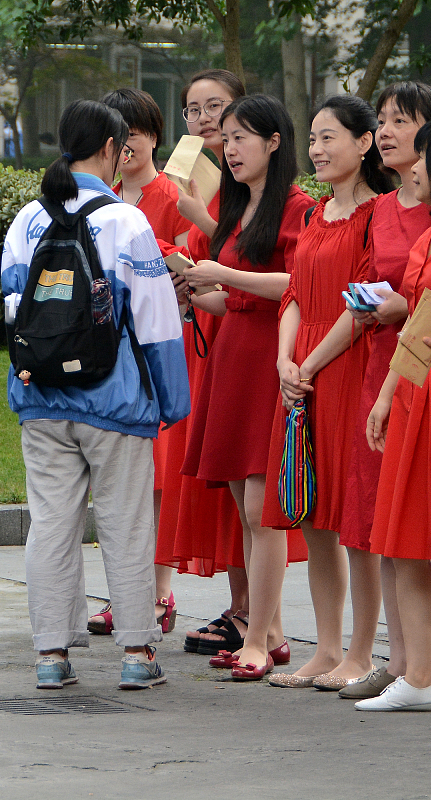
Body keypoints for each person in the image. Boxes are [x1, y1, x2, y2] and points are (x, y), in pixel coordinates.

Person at [0, 99, 190, 690]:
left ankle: (51, 657)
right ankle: (137, 653)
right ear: (112, 150)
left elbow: (13, 313)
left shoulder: (26, 219)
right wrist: (172, 401)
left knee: (51, 524)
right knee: (127, 523)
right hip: (114, 400)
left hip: (41, 398)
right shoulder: (127, 222)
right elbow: (157, 323)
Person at [336, 82, 431, 705]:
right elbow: (422, 323)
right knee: (397, 531)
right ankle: (413, 667)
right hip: (410, 382)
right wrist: (390, 393)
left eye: (418, 146)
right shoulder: (428, 238)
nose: (411, 165)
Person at [180, 95, 315, 679]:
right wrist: (190, 288)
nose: (229, 149)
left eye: (240, 138)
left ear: (274, 142)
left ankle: (257, 637)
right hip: (233, 357)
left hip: (271, 361)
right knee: (243, 503)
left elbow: (298, 283)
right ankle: (273, 630)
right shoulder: (238, 208)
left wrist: (222, 273)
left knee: (263, 509)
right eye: (225, 139)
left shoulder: (299, 206)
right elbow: (233, 300)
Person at [260, 94, 392, 689]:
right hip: (303, 375)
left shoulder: (378, 215)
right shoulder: (315, 214)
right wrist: (286, 360)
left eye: (329, 137)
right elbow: (293, 294)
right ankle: (327, 648)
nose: (316, 149)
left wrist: (305, 363)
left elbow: (362, 305)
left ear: (365, 143)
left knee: (353, 518)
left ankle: (362, 654)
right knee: (312, 513)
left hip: (346, 368)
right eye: (311, 139)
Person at [153, 70, 252, 657]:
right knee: (218, 477)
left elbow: (246, 250)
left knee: (243, 475)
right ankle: (240, 607)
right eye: (193, 110)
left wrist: (200, 216)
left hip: (238, 324)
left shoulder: (246, 181)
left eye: (217, 107)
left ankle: (251, 614)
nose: (205, 119)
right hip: (199, 331)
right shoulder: (191, 178)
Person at [92, 87, 192, 639]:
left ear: (154, 135)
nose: (127, 143)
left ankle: (157, 592)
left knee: (157, 478)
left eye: (136, 131)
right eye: (117, 133)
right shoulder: (100, 200)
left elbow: (187, 275)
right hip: (109, 354)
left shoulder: (172, 197)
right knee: (117, 479)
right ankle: (121, 591)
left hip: (157, 348)